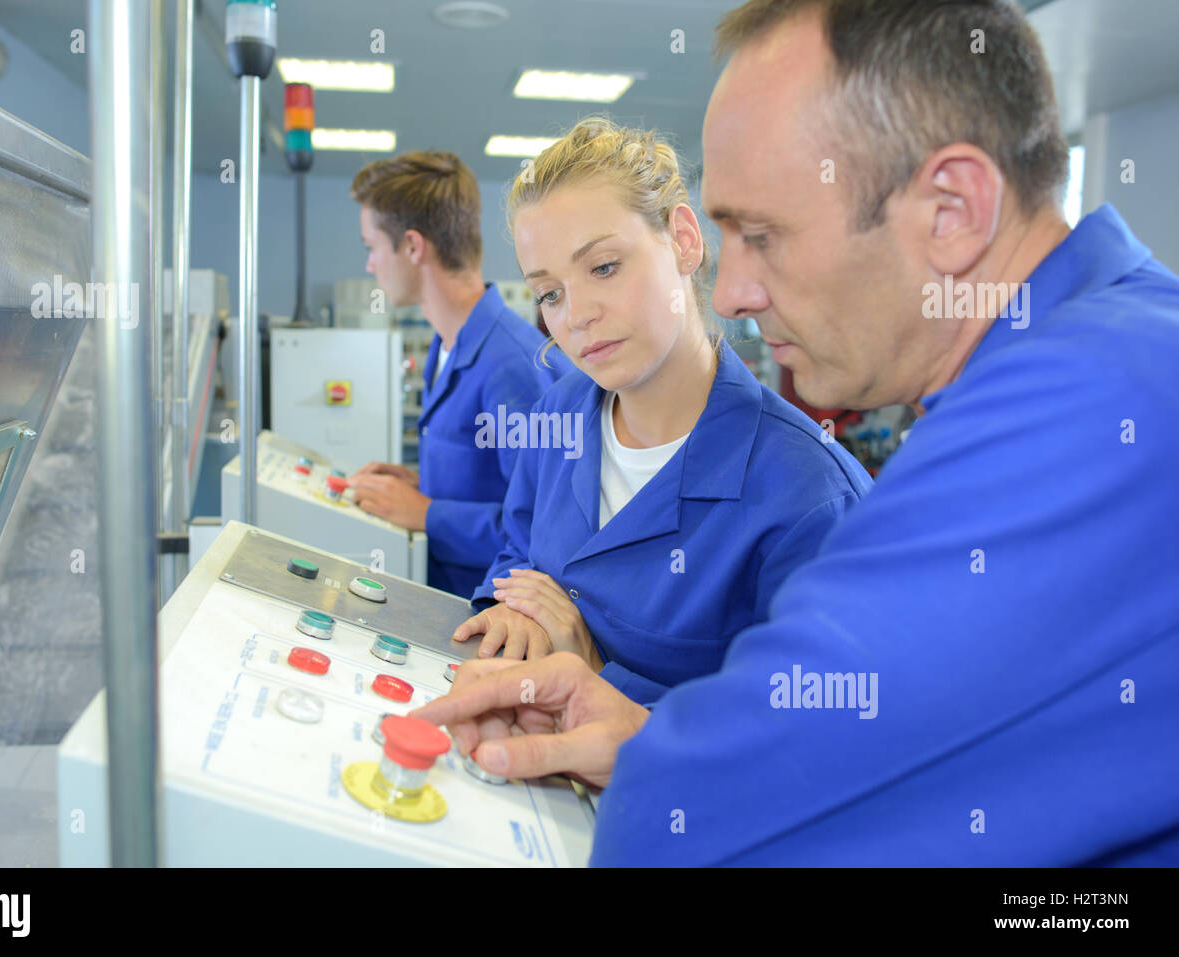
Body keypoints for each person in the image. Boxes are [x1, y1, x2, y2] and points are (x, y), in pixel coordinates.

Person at [415, 0, 1179, 865]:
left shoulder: (1081, 411)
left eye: (764, 234)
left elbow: (754, 818)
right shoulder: (1096, 352)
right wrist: (646, 738)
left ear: (952, 209)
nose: (733, 291)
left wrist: (662, 760)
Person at [449, 118, 871, 705]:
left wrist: (596, 673)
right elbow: (517, 552)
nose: (576, 315)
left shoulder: (812, 499)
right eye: (550, 293)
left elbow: (814, 742)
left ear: (683, 240)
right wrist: (512, 612)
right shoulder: (561, 413)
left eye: (602, 267)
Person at [346, 150, 560, 598]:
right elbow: (491, 483)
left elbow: (544, 532)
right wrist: (423, 487)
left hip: (487, 621)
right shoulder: (448, 347)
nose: (369, 263)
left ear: (412, 246)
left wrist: (425, 512)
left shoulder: (512, 366)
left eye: (371, 246)